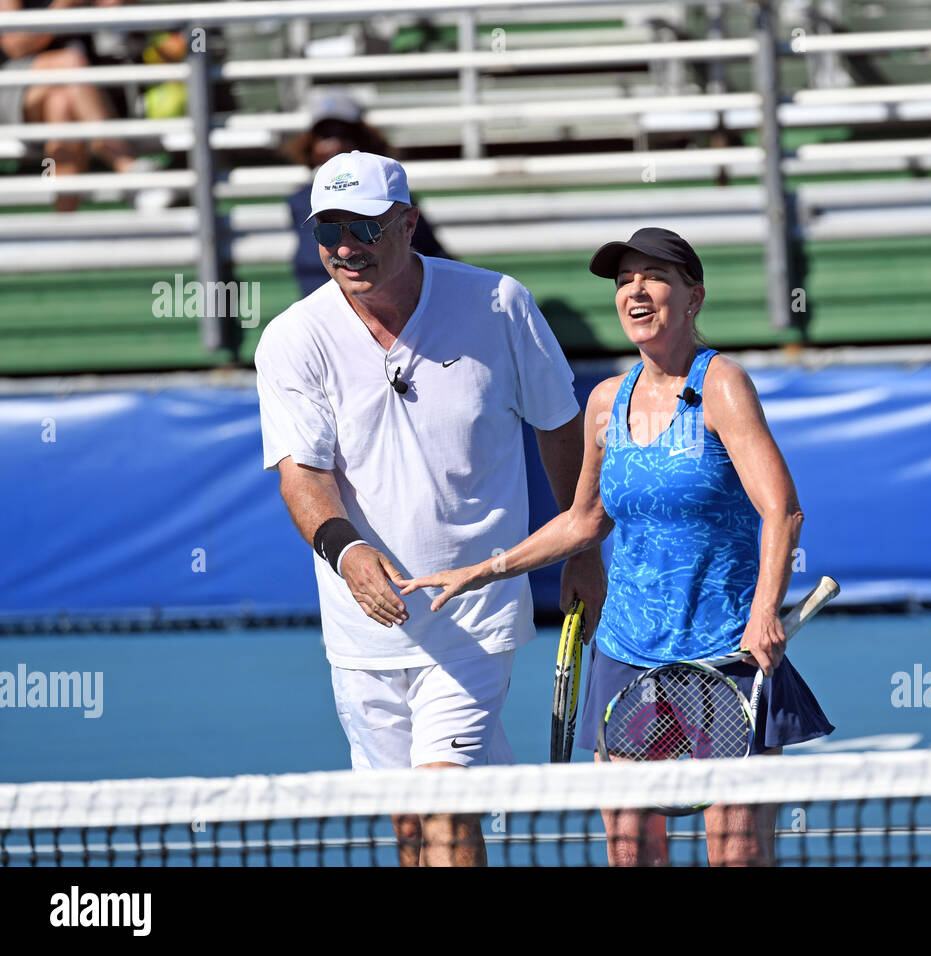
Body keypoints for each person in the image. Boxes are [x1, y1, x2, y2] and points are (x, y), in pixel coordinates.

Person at [398, 227, 833, 866]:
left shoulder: (723, 386)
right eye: (625, 280)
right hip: (627, 656)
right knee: (631, 852)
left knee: (735, 851)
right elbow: (584, 520)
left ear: (694, 297)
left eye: (654, 276)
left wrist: (765, 610)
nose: (635, 290)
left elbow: (782, 511)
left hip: (724, 655)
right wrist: (484, 569)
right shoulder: (605, 401)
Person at [253, 150, 604, 867]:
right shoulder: (292, 338)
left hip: (474, 619)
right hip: (361, 630)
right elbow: (303, 479)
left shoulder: (500, 304)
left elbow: (561, 429)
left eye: (366, 228)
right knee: (412, 831)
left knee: (444, 809)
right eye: (329, 231)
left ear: (409, 223)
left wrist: (584, 551)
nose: (345, 247)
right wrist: (348, 554)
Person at [0, 0, 169, 212]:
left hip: (78, 90)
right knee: (70, 64)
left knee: (61, 104)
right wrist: (63, 6)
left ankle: (65, 225)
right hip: (14, 86)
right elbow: (16, 44)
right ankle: (126, 165)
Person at [283, 88, 452, 296]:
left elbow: (433, 256)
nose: (334, 145)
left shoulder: (389, 197)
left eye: (344, 135)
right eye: (325, 136)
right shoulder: (300, 201)